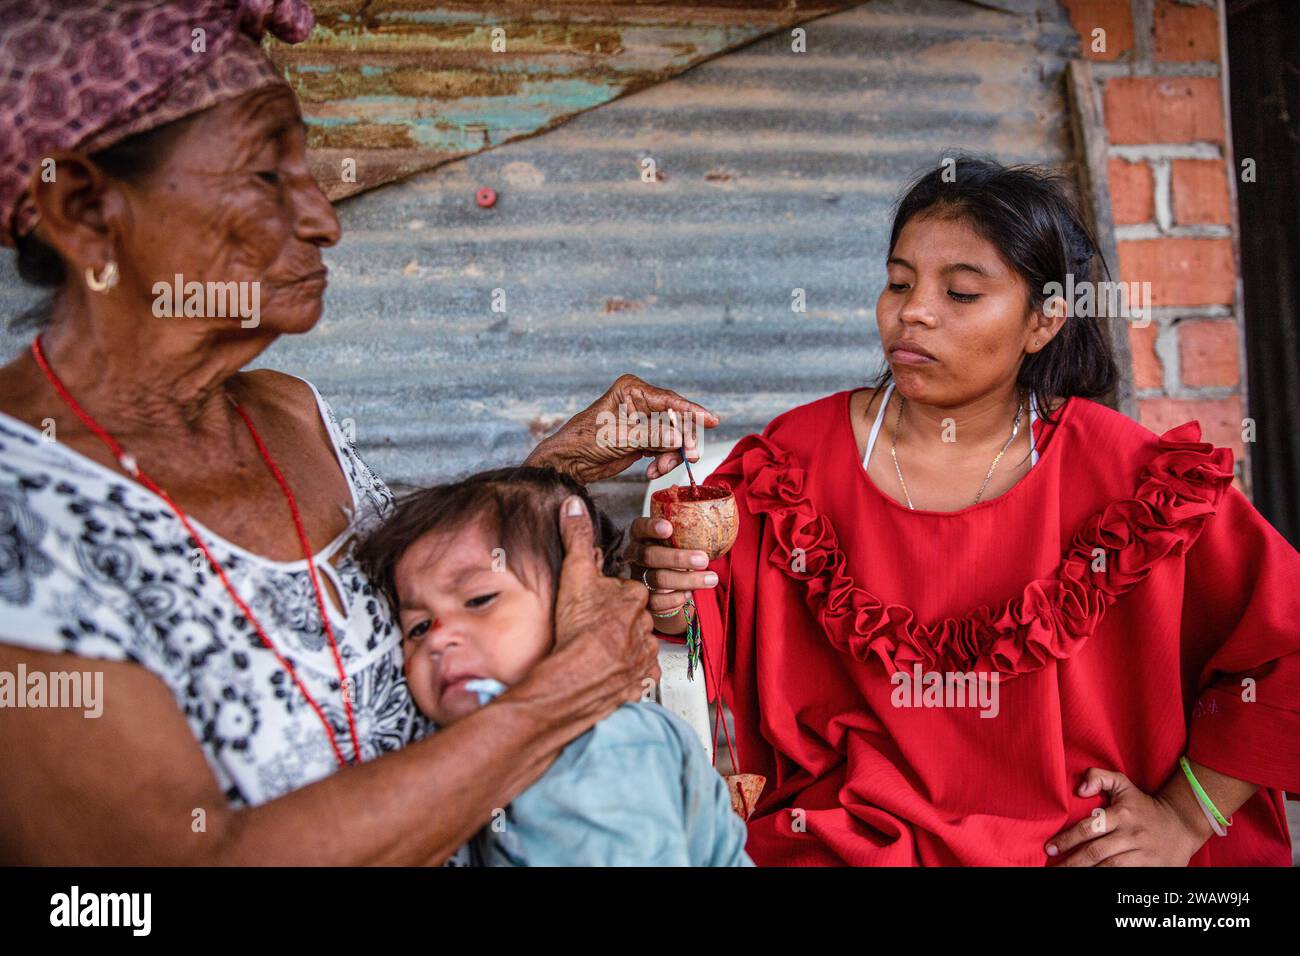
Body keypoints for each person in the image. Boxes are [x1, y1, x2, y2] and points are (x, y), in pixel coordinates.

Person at [0, 0, 717, 865]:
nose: (324, 218)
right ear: (83, 209)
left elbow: (387, 646)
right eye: (267, 175)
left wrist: (549, 496)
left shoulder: (287, 412)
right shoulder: (24, 516)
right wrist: (565, 694)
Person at [630, 157, 1300, 866]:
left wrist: (1185, 817)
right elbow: (696, 628)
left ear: (1043, 323)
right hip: (849, 841)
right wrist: (668, 592)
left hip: (1079, 847)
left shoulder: (1131, 480)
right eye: (898, 283)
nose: (912, 311)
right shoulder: (795, 463)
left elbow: (1286, 640)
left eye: (961, 292)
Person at [355, 466, 753, 866]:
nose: (438, 639)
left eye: (478, 600)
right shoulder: (495, 747)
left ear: (585, 606)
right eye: (418, 627)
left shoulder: (604, 749)